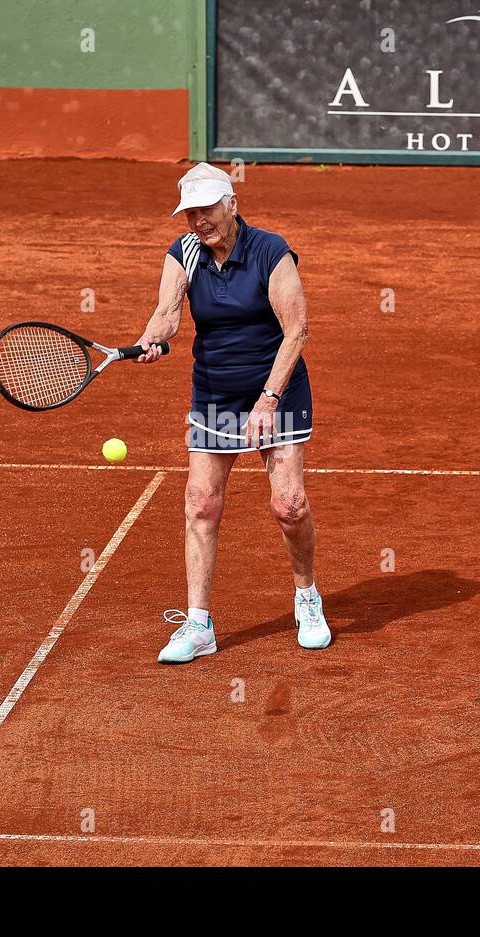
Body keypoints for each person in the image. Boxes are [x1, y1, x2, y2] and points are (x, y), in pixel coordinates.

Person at [135, 163, 331, 663]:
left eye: (206, 210)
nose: (199, 221)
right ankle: (198, 625)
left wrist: (268, 399)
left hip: (277, 389)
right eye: (190, 213)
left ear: (232, 204)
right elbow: (168, 313)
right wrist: (150, 340)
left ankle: (307, 597)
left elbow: (298, 331)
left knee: (290, 505)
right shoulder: (184, 254)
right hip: (216, 393)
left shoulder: (270, 251)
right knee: (201, 501)